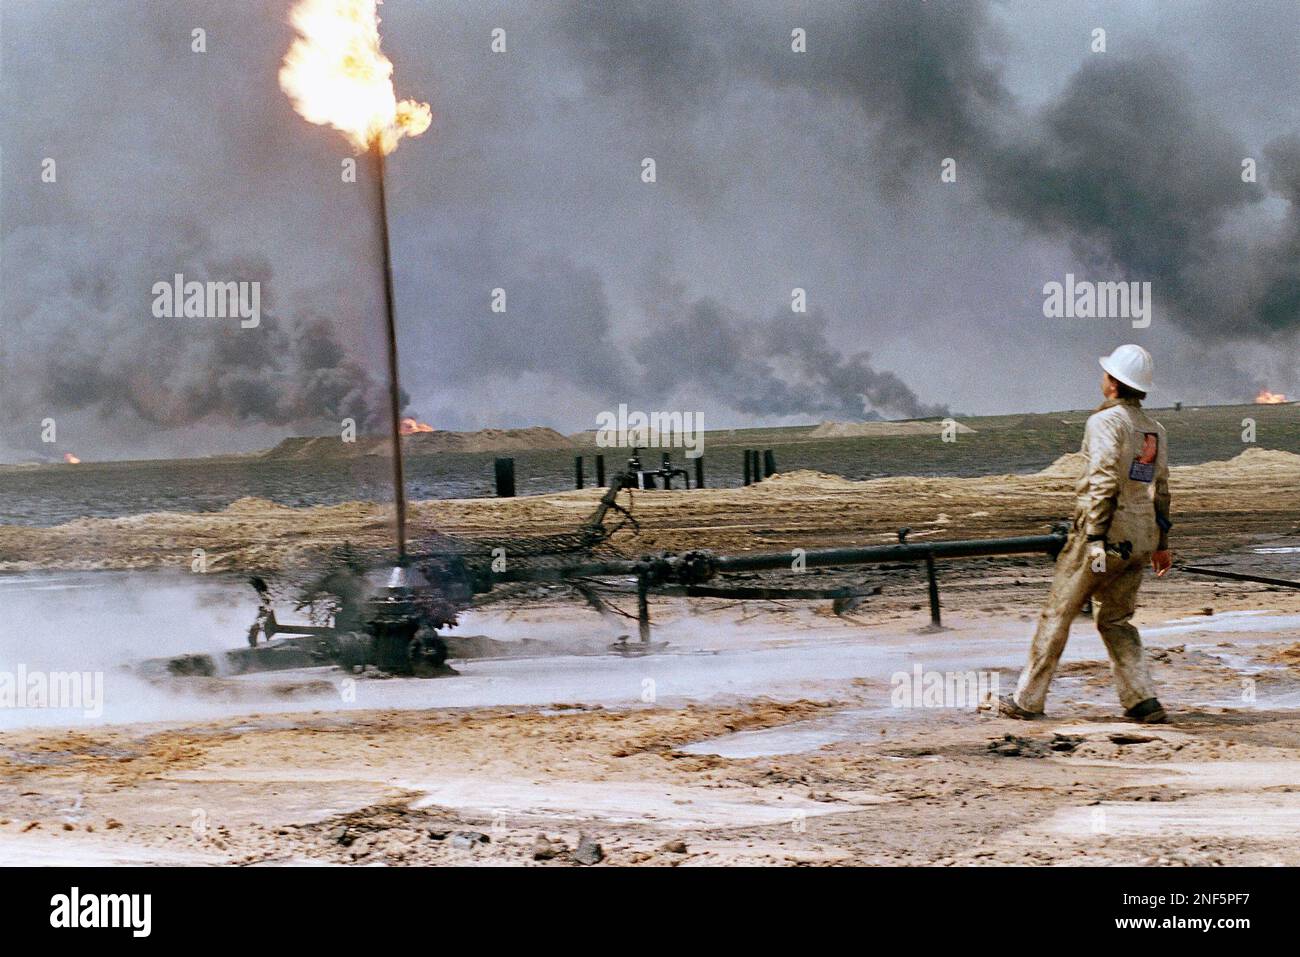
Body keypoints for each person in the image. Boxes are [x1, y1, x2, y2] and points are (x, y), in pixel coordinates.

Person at [1000, 344, 1173, 724]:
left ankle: (1028, 699)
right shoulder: (1153, 430)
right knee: (1116, 621)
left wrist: (1094, 538)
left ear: (1113, 384)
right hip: (1140, 539)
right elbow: (1160, 489)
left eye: (1106, 375)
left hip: (1103, 535)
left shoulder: (1105, 423)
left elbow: (1104, 480)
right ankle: (1142, 699)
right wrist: (1161, 545)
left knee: (1058, 613)